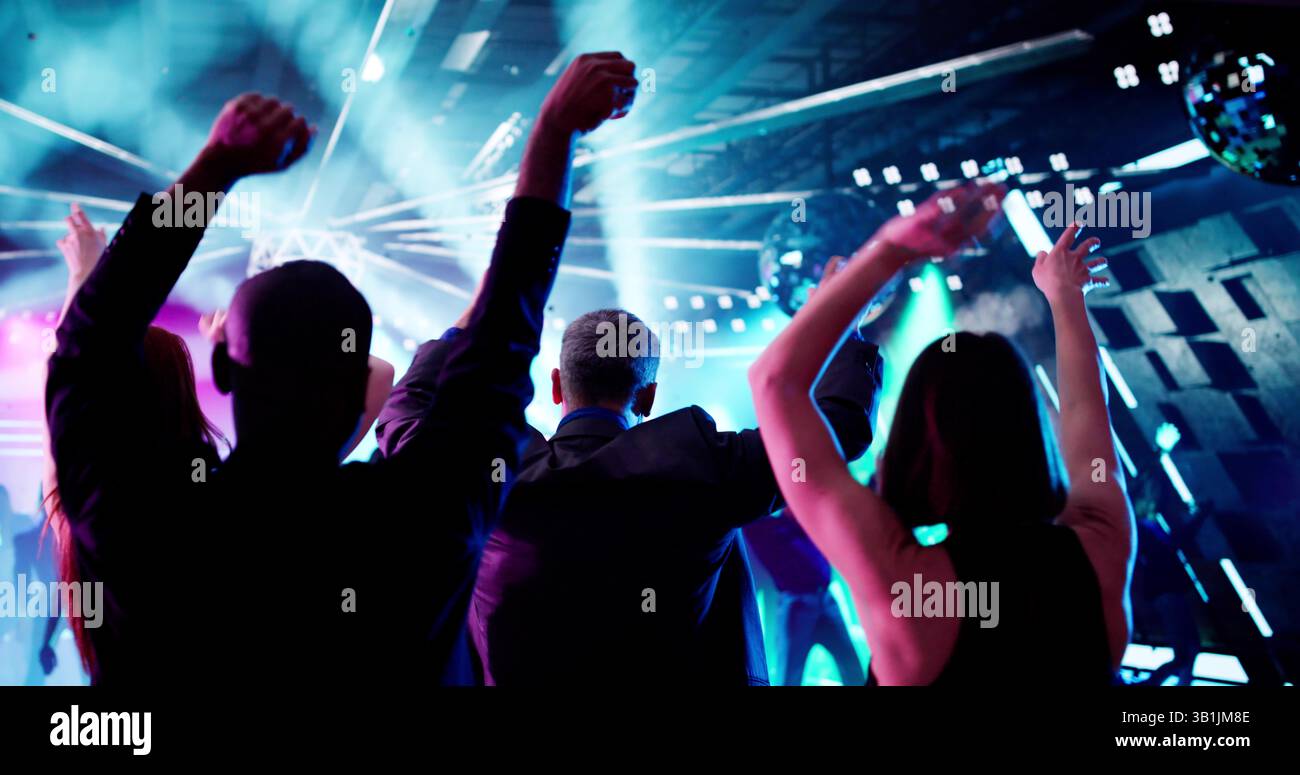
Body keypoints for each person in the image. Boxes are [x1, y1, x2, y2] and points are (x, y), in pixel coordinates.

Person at [46, 52, 633, 686]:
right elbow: (503, 332)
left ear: (221, 366)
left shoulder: (147, 524)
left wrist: (216, 168)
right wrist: (551, 133)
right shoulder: (420, 518)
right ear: (360, 389)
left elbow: (88, 345)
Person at [379, 297, 882, 685]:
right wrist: (847, 327)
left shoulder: (494, 473)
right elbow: (837, 430)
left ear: (556, 387)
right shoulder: (704, 466)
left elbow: (404, 416)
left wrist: (471, 323)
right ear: (649, 393)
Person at [749, 184, 1135, 685]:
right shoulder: (1099, 544)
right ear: (1033, 431)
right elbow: (1087, 408)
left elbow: (774, 383)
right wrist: (1066, 297)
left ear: (916, 446)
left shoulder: (906, 583)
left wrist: (891, 251)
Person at [42, 204, 225, 679]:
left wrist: (84, 277)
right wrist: (244, 359)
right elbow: (377, 375)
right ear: (181, 392)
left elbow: (70, 379)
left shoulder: (86, 512)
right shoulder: (228, 500)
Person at [744, 508, 864, 686]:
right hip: (797, 607)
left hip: (826, 600)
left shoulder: (804, 523)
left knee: (853, 669)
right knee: (790, 676)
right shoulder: (767, 528)